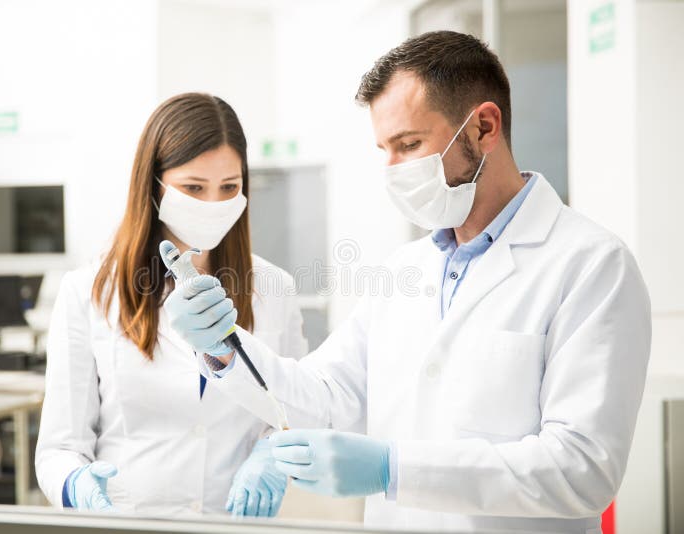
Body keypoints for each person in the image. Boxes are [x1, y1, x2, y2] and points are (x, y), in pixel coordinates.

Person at [162, 32, 652, 532]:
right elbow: (325, 396)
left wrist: (393, 470)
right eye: (385, 149)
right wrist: (224, 350)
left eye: (409, 144)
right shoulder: (403, 270)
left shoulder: (591, 265)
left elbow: (583, 469)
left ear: (484, 126)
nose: (393, 169)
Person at [35, 93, 308, 517]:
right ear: (154, 184)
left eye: (229, 187)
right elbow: (58, 448)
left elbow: (296, 410)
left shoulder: (273, 288)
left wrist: (272, 454)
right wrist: (77, 484)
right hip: (128, 520)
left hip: (233, 522)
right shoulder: (87, 291)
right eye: (193, 187)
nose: (213, 204)